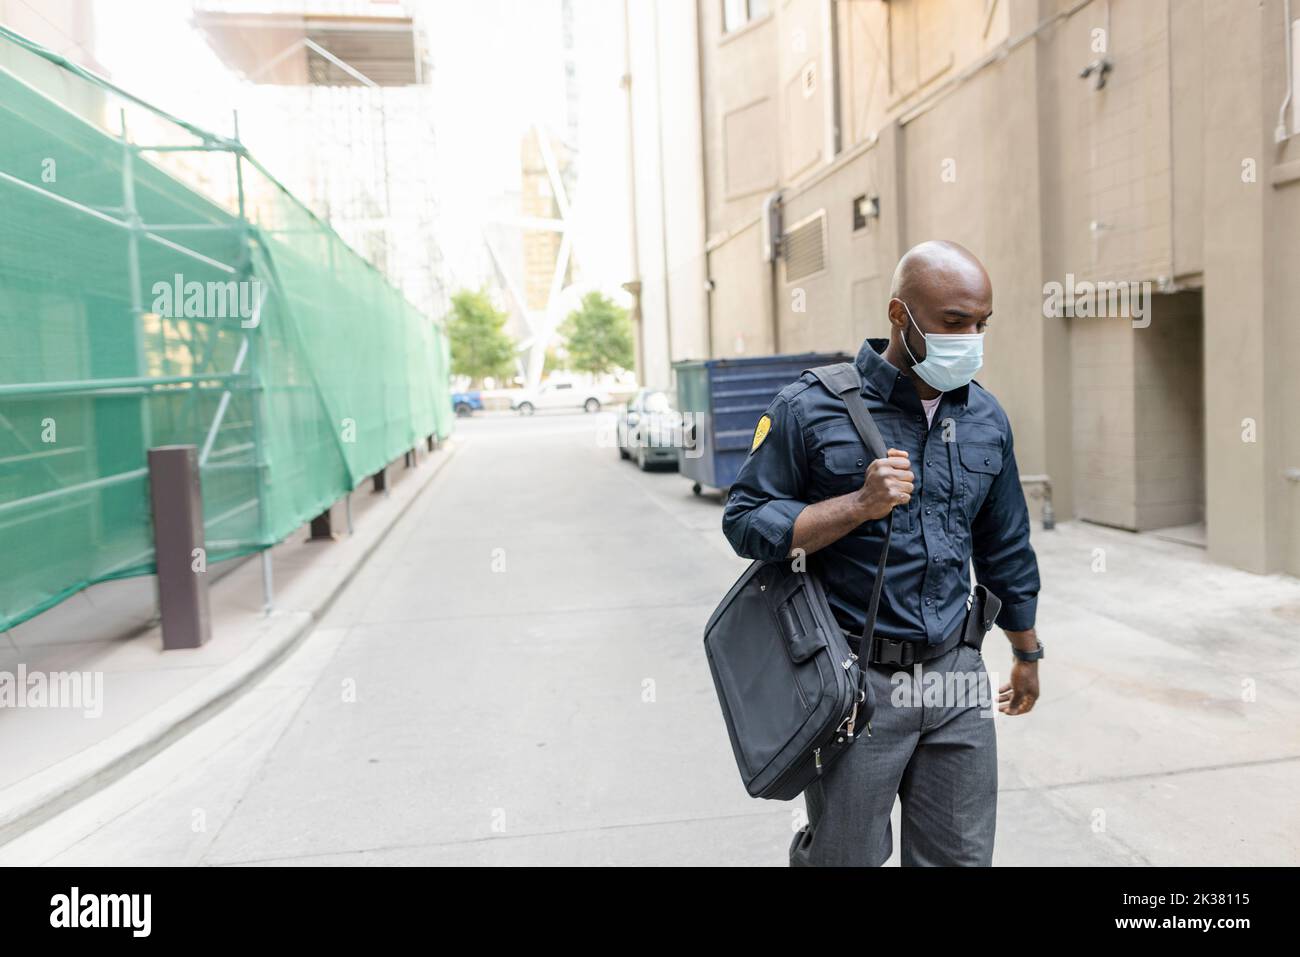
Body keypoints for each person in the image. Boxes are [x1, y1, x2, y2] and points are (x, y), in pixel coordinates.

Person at [722, 240, 1044, 866]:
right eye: (954, 322)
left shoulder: (986, 418)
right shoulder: (809, 408)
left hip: (955, 676)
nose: (971, 338)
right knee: (846, 856)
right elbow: (745, 522)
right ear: (901, 315)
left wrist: (1027, 650)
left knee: (961, 858)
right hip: (855, 683)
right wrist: (856, 506)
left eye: (982, 323)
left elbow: (1005, 543)